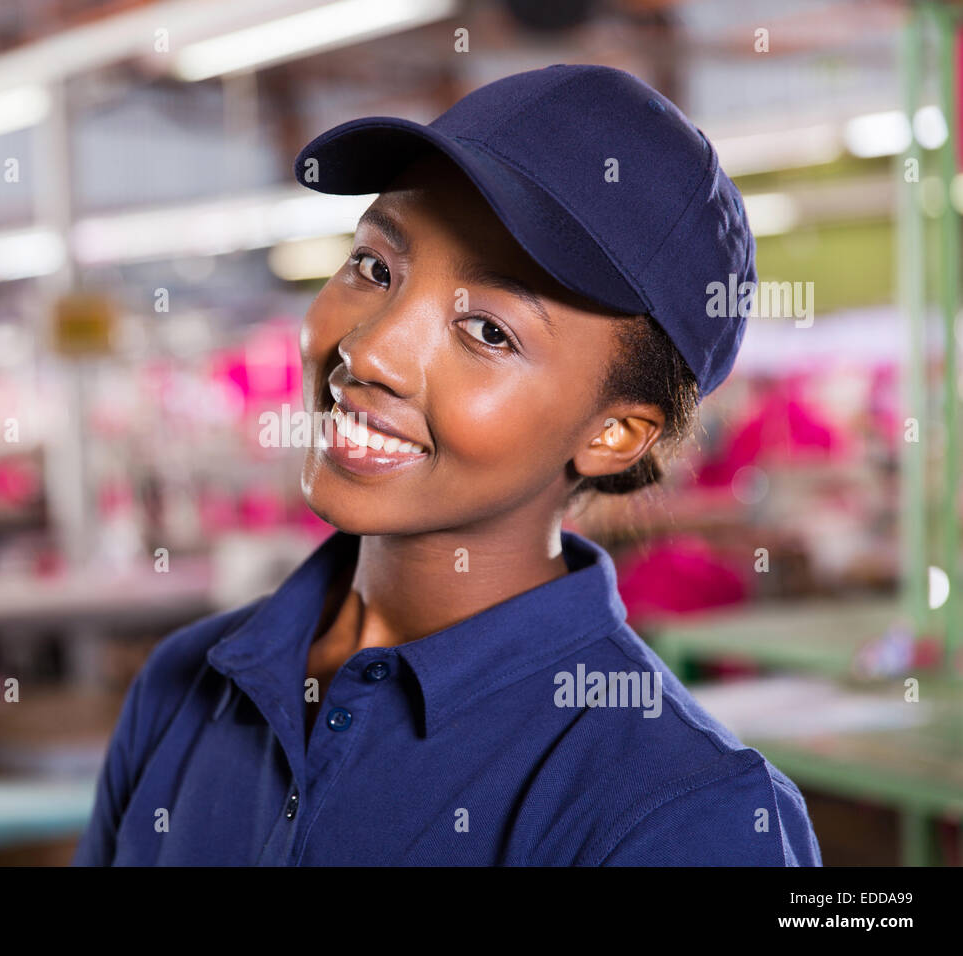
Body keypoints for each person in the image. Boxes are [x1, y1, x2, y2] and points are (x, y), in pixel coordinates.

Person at [73, 64, 822, 866]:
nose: (368, 351)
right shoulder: (186, 685)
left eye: (489, 331)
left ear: (614, 434)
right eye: (374, 268)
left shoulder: (682, 816)